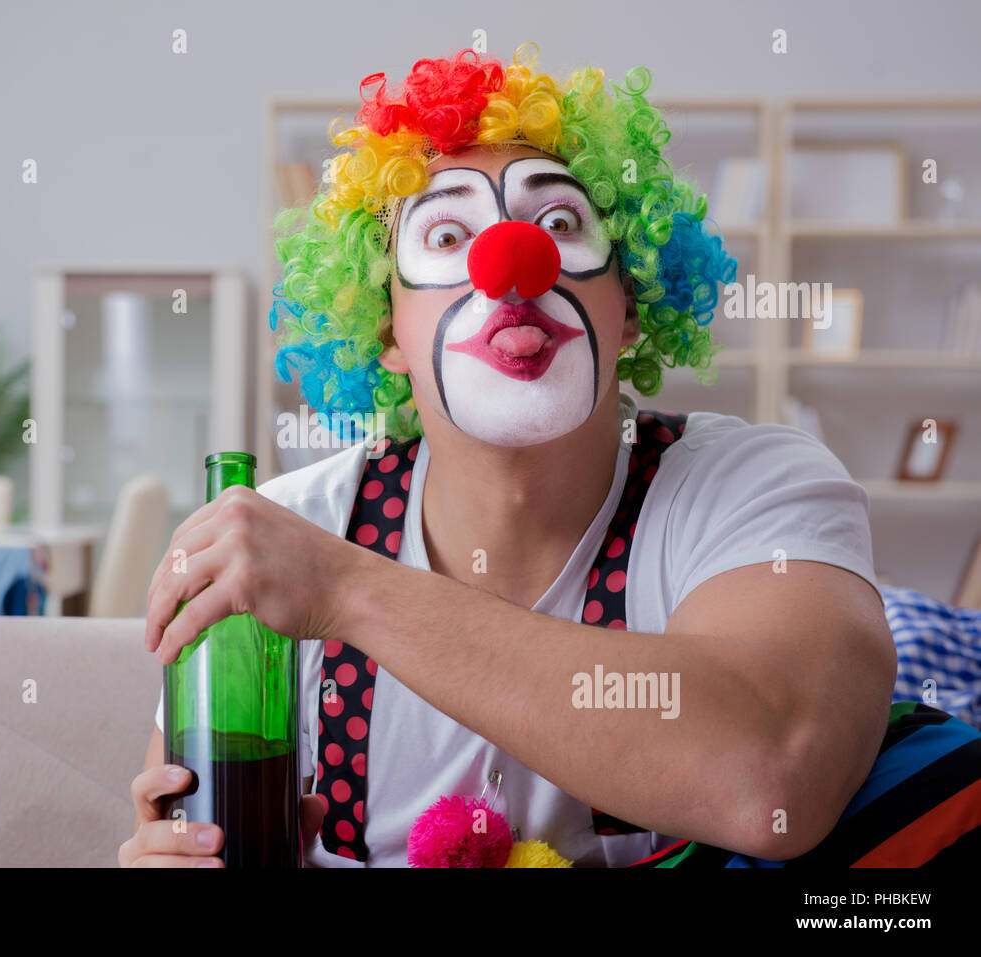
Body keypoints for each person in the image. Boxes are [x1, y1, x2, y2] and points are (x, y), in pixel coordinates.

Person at [118, 43, 897, 868]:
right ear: (386, 329)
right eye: (448, 234)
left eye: (559, 225)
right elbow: (182, 822)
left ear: (628, 306)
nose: (511, 268)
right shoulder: (286, 538)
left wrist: (346, 589)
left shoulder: (758, 492)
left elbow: (773, 778)